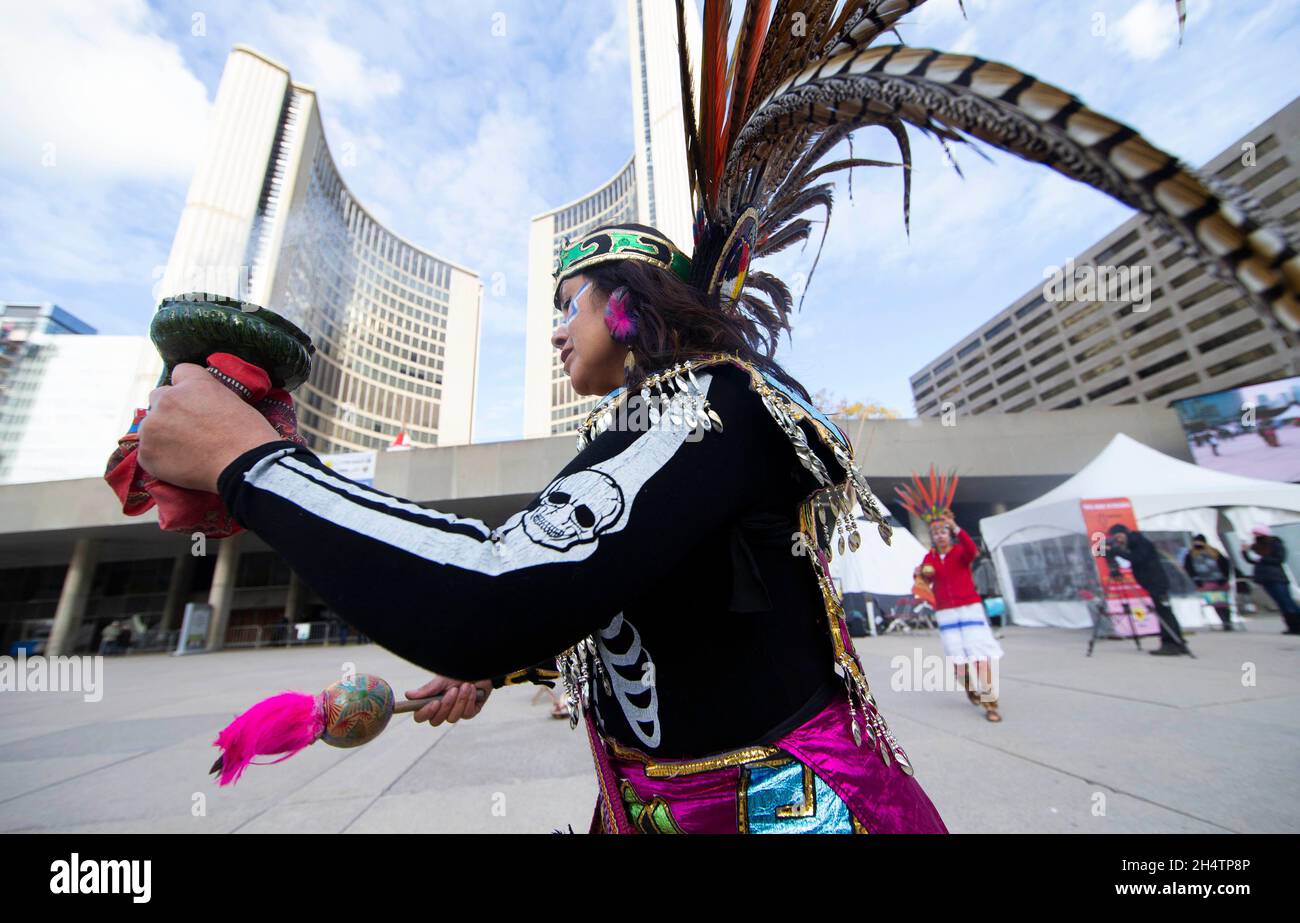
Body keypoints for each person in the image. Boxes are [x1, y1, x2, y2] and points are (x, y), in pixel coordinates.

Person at [135, 1, 1298, 832]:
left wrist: (256, 461)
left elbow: (496, 584)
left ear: (630, 312)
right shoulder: (681, 419)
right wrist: (515, 662)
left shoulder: (708, 407)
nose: (552, 332)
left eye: (566, 306)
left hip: (781, 813)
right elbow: (653, 587)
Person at [897, 470, 1003, 722]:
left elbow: (972, 550)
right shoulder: (930, 558)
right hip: (945, 612)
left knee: (979, 657)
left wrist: (955, 525)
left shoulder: (960, 553)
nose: (939, 535)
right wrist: (919, 574)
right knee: (958, 662)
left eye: (943, 531)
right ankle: (970, 687)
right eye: (935, 533)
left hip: (969, 609)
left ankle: (991, 703)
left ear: (949, 533)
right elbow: (923, 581)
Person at [1105, 524, 1190, 656]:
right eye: (1116, 538)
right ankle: (1176, 642)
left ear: (1125, 533)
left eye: (1120, 536)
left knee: (1164, 614)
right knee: (1164, 613)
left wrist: (1117, 551)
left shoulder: (1140, 542)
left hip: (1157, 583)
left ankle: (1172, 643)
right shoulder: (1133, 543)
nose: (1119, 540)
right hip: (1151, 583)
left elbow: (1137, 558)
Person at [1242, 527, 1300, 634]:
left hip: (1277, 577)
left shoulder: (1275, 543)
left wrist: (1262, 559)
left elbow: (1280, 559)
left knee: (1287, 602)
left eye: (1258, 534)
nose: (1256, 536)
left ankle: (1297, 625)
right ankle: (1292, 626)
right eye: (1255, 534)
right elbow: (1251, 560)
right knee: (1281, 604)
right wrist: (1244, 552)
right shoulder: (1256, 547)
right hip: (1265, 578)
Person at [1183, 534, 1232, 630]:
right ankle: (1225, 621)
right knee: (1216, 603)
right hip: (1206, 583)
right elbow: (1189, 569)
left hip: (1220, 581)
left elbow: (1225, 564)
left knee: (1223, 603)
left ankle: (1227, 621)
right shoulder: (1191, 555)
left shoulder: (1214, 552)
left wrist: (1225, 577)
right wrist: (1196, 580)